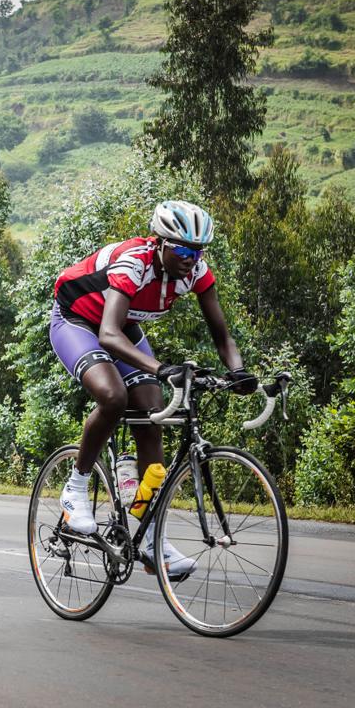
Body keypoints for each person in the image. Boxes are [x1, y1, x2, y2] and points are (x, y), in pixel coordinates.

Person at [49, 200, 255, 578]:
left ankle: (148, 536)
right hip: (78, 320)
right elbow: (108, 335)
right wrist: (162, 368)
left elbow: (221, 334)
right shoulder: (136, 261)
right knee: (113, 396)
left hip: (121, 326)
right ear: (160, 242)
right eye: (181, 249)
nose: (190, 258)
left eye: (197, 251)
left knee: (153, 408)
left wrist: (238, 372)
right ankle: (75, 488)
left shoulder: (195, 272)